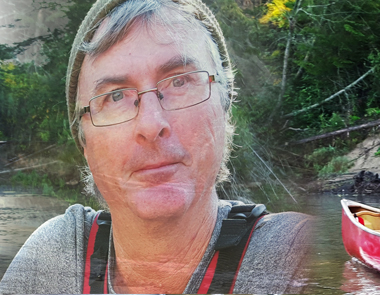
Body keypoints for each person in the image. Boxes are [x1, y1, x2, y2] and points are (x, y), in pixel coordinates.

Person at [0, 0, 311, 293]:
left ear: (225, 107)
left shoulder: (296, 252)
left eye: (179, 82)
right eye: (116, 96)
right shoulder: (53, 258)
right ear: (84, 141)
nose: (151, 124)